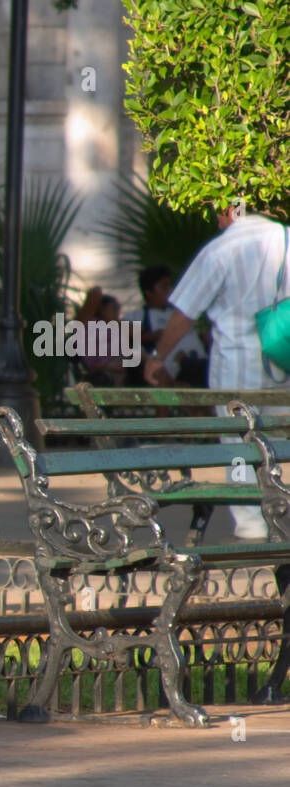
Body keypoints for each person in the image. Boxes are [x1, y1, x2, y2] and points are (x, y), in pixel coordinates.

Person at [145, 204, 290, 539]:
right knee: (279, 441)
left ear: (229, 209)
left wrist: (158, 356)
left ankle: (251, 523)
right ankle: (279, 513)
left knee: (238, 444)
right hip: (284, 361)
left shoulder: (221, 250)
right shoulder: (286, 238)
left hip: (237, 366)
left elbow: (185, 311)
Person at [122, 266, 207, 387]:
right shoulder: (138, 315)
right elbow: (124, 337)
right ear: (149, 293)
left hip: (203, 362)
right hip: (175, 369)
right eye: (164, 287)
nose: (170, 291)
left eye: (170, 286)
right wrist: (152, 336)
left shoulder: (181, 313)